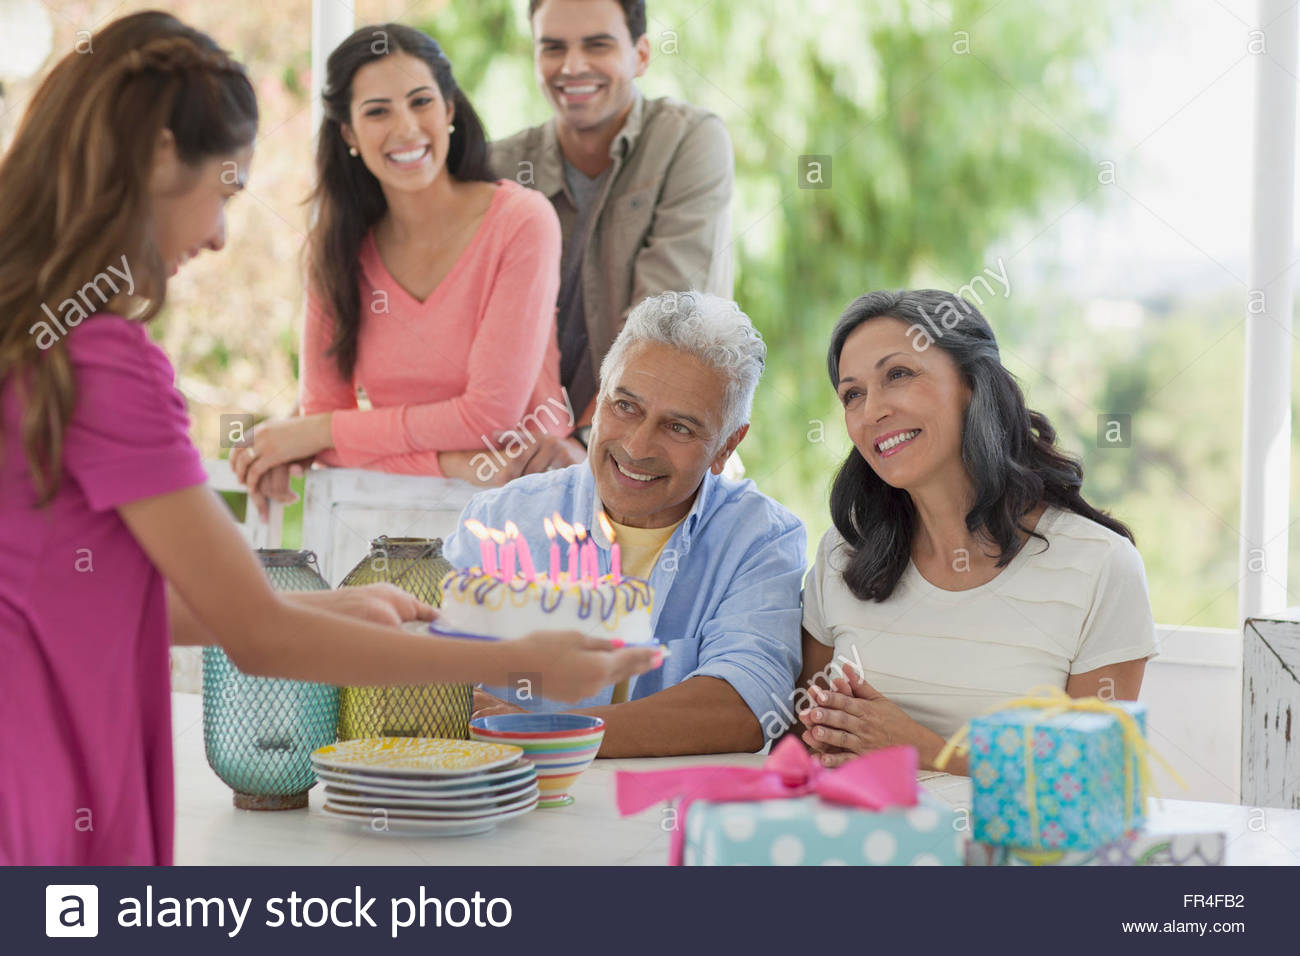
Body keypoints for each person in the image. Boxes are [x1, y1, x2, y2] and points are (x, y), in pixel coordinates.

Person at [0, 12, 659, 866]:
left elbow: (100, 595)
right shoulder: (105, 365)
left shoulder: (33, 346)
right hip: (48, 761)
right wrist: (518, 662)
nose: (219, 235)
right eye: (224, 192)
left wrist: (311, 605)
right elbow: (255, 638)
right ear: (161, 156)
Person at [795, 290, 1159, 775]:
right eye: (852, 394)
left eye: (898, 374)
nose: (872, 411)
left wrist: (924, 750)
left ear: (971, 383)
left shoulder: (1099, 564)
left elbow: (1094, 778)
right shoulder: (842, 556)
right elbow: (803, 745)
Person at [443, 291, 805, 758]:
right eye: (625, 406)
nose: (636, 447)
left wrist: (537, 730)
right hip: (515, 794)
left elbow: (743, 707)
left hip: (667, 803)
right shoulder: (500, 518)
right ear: (599, 399)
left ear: (726, 447)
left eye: (679, 428)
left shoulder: (762, 540)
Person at [232, 23, 566, 511]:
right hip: (391, 516)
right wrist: (451, 463)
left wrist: (319, 433)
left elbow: (488, 419)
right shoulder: (337, 247)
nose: (406, 128)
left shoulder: (522, 221)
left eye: (420, 101)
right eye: (377, 111)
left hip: (528, 509)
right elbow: (322, 421)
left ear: (449, 109)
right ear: (349, 132)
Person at [474, 0, 734, 479]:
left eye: (597, 45)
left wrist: (587, 440)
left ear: (641, 55)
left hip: (655, 455)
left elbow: (663, 321)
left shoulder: (688, 141)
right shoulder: (500, 166)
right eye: (553, 48)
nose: (572, 66)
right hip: (528, 461)